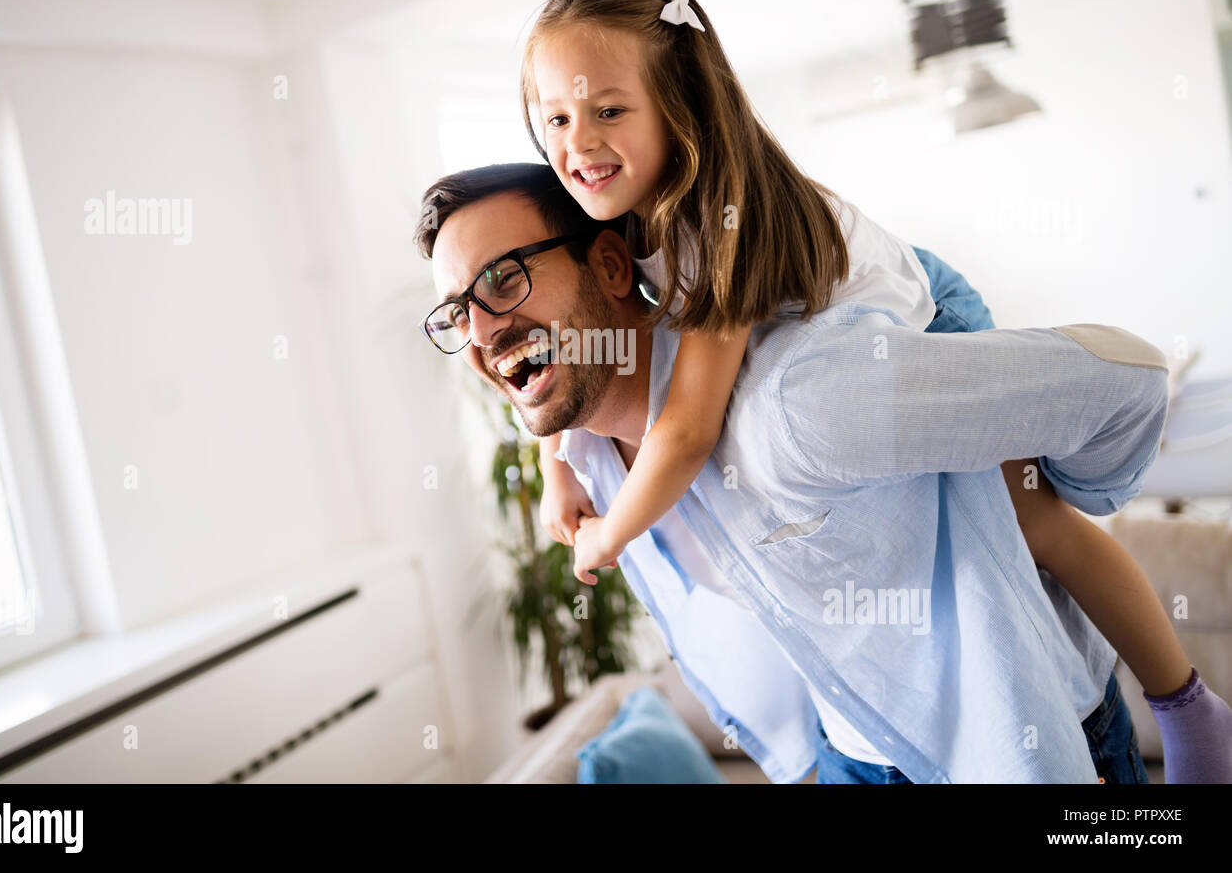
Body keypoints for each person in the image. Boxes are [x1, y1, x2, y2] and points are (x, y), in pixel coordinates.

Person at [507, 0, 1230, 782]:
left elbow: (686, 429)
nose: (579, 141)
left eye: (609, 110)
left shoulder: (714, 217)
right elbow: (583, 335)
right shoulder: (614, 207)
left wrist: (611, 533)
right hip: (833, 337)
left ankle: (1188, 708)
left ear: (682, 109)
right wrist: (557, 460)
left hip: (921, 306)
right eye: (557, 117)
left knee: (1035, 523)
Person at [416, 161, 1232, 783]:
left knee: (1035, 517)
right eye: (457, 311)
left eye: (502, 277)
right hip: (852, 756)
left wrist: (1064, 481)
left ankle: (1194, 710)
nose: (481, 328)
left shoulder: (804, 398)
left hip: (1022, 744)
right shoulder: (588, 457)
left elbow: (1124, 382)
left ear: (607, 263)